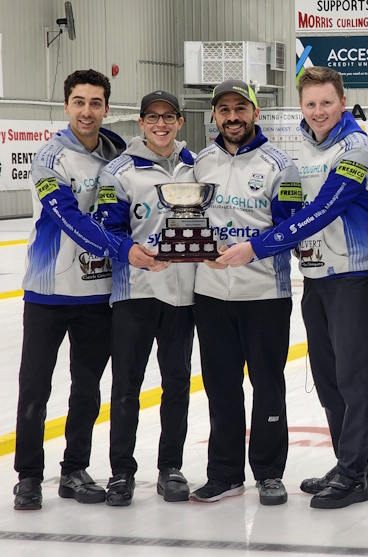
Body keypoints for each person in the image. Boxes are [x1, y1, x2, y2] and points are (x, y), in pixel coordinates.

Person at [216, 67, 368, 510]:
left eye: (327, 102)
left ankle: (354, 476)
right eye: (310, 104)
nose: (319, 111)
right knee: (327, 381)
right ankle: (349, 463)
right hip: (315, 277)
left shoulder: (356, 145)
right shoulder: (303, 146)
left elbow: (326, 207)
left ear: (342, 103)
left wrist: (259, 245)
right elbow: (292, 209)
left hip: (352, 276)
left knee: (352, 378)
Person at [13, 69, 156, 511]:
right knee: (35, 388)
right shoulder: (48, 158)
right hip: (48, 293)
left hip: (98, 296)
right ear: (66, 106)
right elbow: (69, 220)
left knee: (87, 388)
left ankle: (74, 469)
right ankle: (29, 477)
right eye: (80, 102)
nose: (87, 110)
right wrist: (123, 249)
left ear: (107, 109)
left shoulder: (118, 157)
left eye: (96, 103)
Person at [189, 79, 303, 506]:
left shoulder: (279, 165)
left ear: (255, 112)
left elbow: (290, 228)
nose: (232, 117)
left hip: (265, 294)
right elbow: (185, 220)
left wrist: (250, 250)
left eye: (241, 108)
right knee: (220, 386)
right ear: (214, 115)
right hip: (211, 292)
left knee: (268, 385)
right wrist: (205, 252)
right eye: (224, 109)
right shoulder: (200, 164)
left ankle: (270, 473)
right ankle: (224, 473)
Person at [96, 90, 197, 506]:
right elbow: (106, 228)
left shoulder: (198, 165)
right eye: (152, 117)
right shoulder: (119, 171)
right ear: (140, 122)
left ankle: (170, 467)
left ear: (179, 122)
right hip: (134, 292)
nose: (161, 124)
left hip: (184, 294)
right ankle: (121, 471)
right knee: (126, 386)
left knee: (176, 384)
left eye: (168, 117)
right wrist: (130, 253)